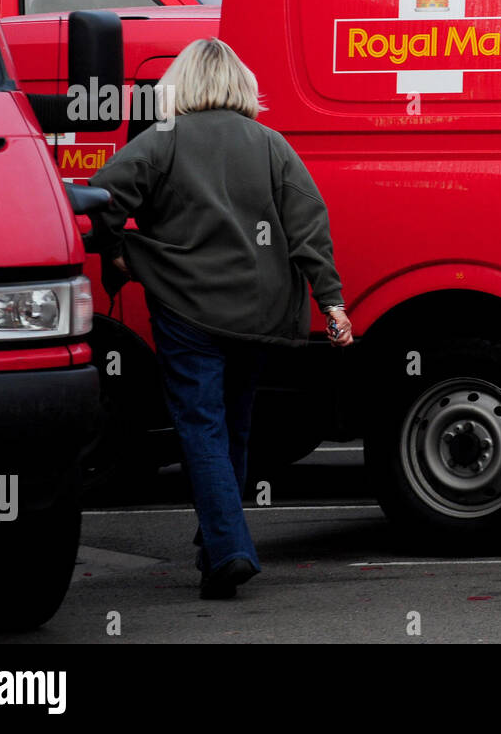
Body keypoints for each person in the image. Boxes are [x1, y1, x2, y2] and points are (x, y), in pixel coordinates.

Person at [90, 37, 353, 600]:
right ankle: (217, 548)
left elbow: (99, 197)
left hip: (187, 307)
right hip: (259, 313)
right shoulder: (270, 143)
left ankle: (230, 549)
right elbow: (310, 227)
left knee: (200, 427)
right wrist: (332, 305)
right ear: (241, 85)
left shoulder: (161, 140)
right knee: (234, 425)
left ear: (179, 85)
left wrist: (116, 253)